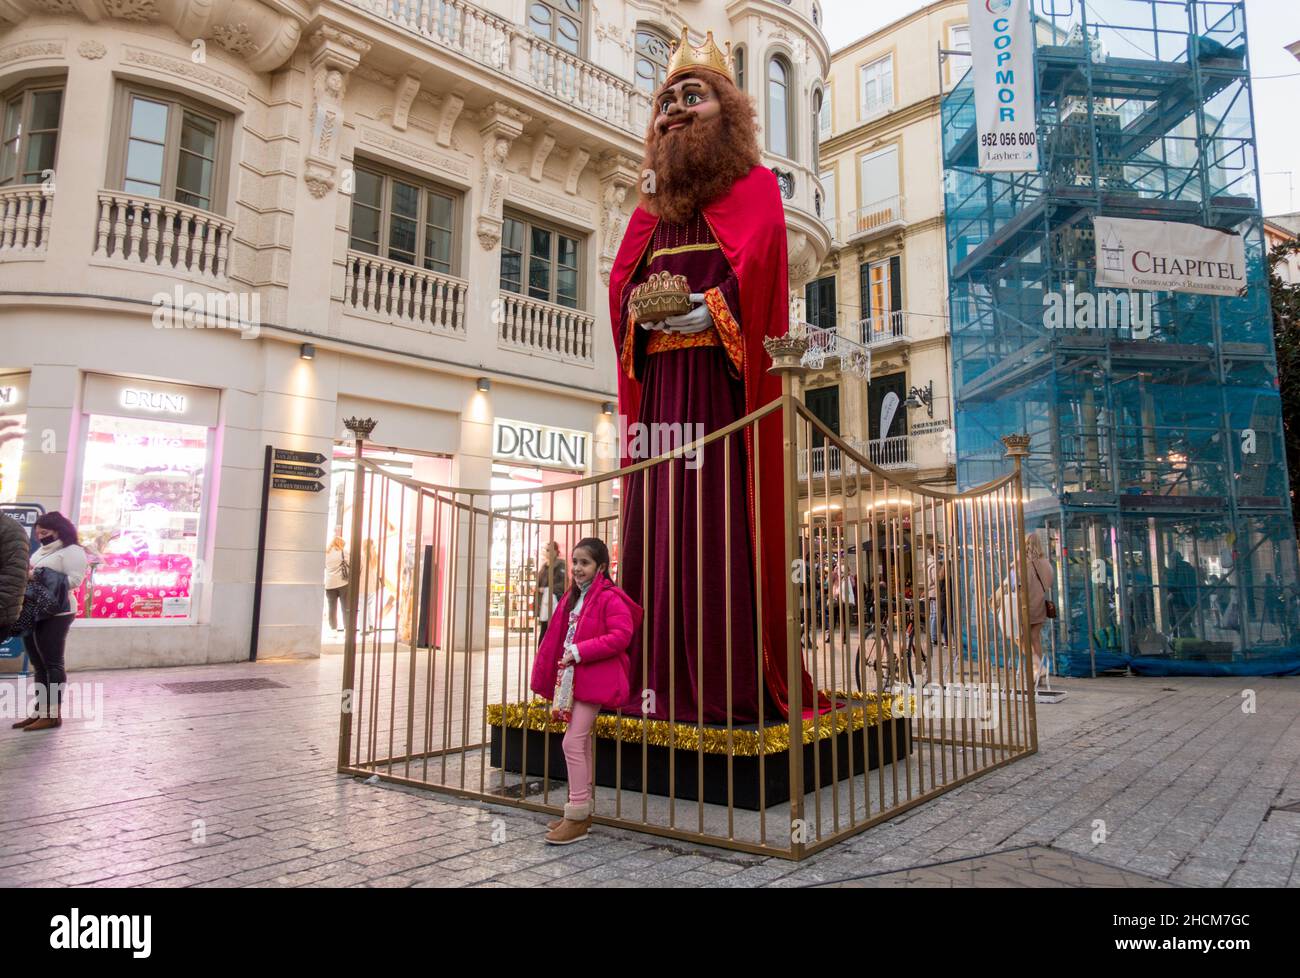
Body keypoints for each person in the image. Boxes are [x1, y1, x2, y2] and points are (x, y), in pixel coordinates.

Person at [609, 28, 824, 723]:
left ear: (727, 112)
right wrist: (642, 314)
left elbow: (758, 265)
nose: (673, 109)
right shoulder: (651, 207)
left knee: (712, 530)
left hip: (721, 394)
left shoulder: (756, 186)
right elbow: (621, 280)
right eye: (666, 99)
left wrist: (714, 310)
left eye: (690, 96)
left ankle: (726, 685)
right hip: (663, 390)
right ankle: (651, 682)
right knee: (657, 525)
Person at [529, 538, 642, 845]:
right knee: (581, 744)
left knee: (572, 743)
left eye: (585, 563)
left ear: (601, 567)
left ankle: (577, 815)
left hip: (594, 679)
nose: (577, 568)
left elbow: (621, 635)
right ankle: (581, 813)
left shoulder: (609, 597)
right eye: (576, 562)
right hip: (577, 679)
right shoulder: (577, 596)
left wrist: (579, 650)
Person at [16, 512, 87, 730]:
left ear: (59, 531)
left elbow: (75, 580)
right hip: (35, 610)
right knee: (38, 664)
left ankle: (53, 714)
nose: (40, 536)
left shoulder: (72, 551)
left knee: (52, 663)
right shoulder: (44, 550)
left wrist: (37, 575)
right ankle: (40, 711)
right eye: (38, 532)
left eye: (45, 532)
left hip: (57, 613)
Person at [1023, 534, 1056, 686]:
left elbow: (1017, 584)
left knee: (1020, 638)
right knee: (1035, 638)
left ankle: (1037, 667)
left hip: (1025, 605)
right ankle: (1039, 675)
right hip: (1040, 605)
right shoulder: (1047, 564)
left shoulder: (1024, 564)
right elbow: (1049, 583)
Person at [534, 541, 566, 642]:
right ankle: (542, 654)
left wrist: (548, 589)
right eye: (546, 550)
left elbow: (563, 583)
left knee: (551, 631)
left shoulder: (560, 565)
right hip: (544, 604)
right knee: (544, 630)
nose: (546, 552)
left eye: (549, 550)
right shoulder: (544, 567)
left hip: (554, 603)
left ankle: (545, 654)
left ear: (556, 551)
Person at [323, 535, 349, 635]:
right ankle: (347, 630)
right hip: (343, 583)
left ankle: (333, 630)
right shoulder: (343, 552)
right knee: (345, 607)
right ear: (340, 544)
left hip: (330, 585)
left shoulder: (326, 553)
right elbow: (350, 563)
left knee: (332, 608)